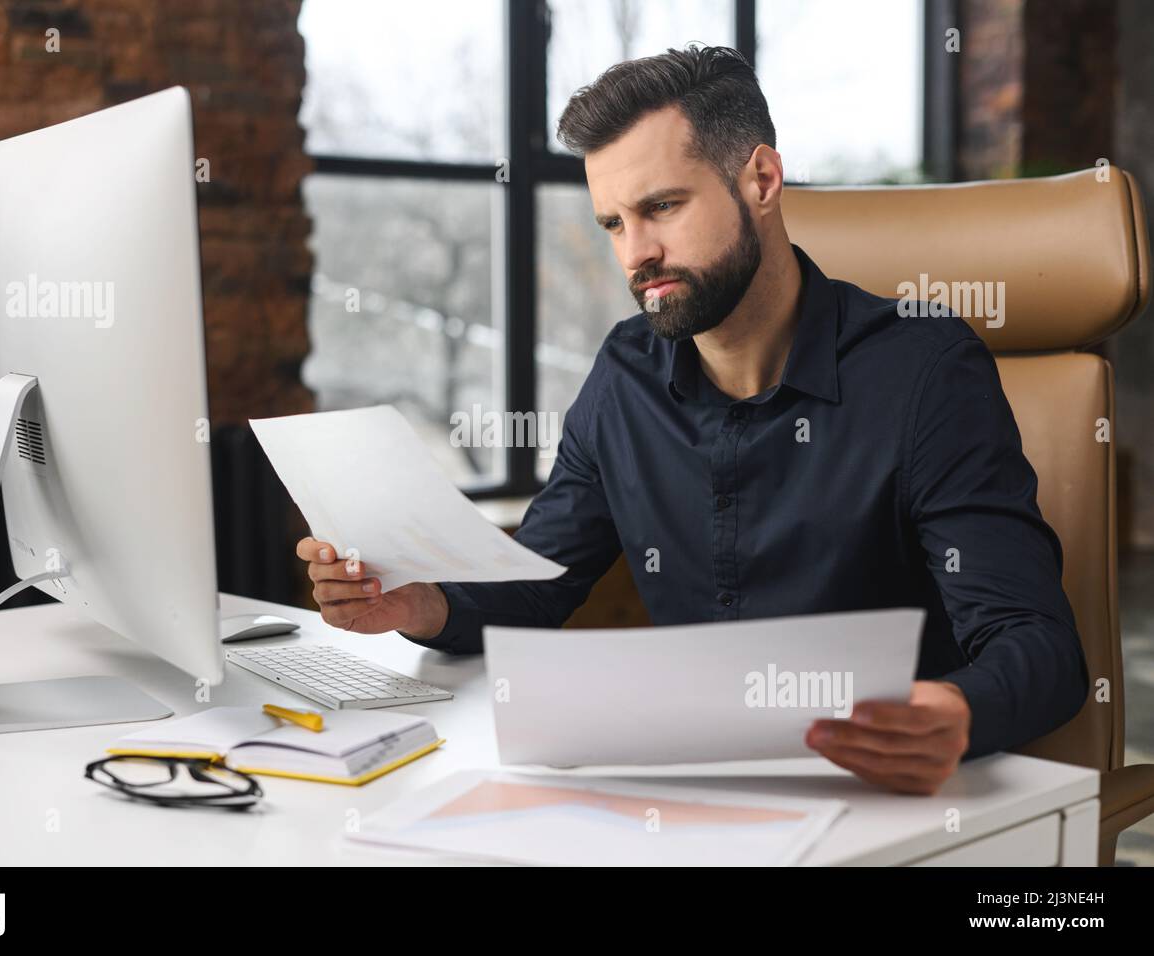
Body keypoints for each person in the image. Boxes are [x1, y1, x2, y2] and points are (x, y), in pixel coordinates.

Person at [295, 45, 1088, 795]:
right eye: (612, 223)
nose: (636, 253)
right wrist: (420, 604)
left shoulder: (924, 370)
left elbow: (1039, 648)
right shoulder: (625, 376)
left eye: (662, 207)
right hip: (696, 790)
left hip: (879, 792)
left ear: (763, 180)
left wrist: (953, 712)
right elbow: (539, 586)